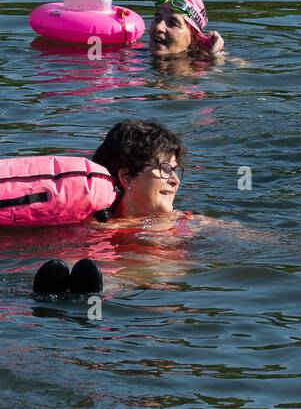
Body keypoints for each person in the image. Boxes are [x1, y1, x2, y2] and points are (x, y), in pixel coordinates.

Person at [33, 119, 207, 296]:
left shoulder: (187, 222)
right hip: (113, 279)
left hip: (149, 290)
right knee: (71, 262)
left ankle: (95, 289)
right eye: (165, 169)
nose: (175, 180)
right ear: (126, 177)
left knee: (155, 269)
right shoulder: (89, 222)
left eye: (176, 171)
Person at [150, 0, 226, 58]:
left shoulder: (203, 67)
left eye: (173, 23)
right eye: (157, 18)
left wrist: (216, 55)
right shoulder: (139, 53)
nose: (158, 27)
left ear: (194, 38)